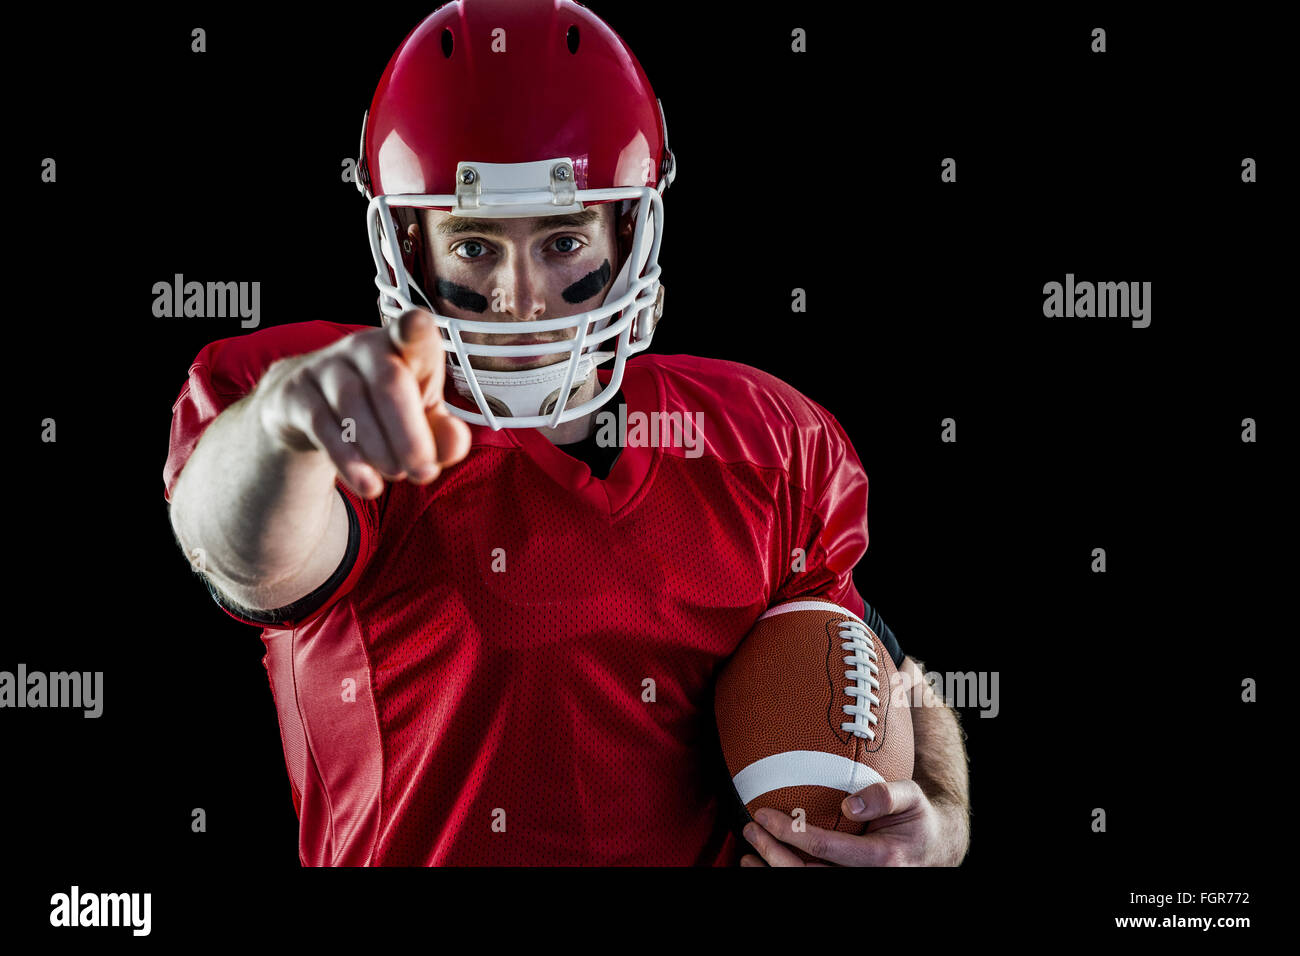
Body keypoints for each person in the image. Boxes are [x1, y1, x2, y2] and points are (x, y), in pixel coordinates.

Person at [164, 0, 969, 866]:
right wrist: (285, 426)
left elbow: (869, 660)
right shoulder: (353, 418)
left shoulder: (767, 440)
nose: (524, 298)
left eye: (561, 240)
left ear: (628, 231)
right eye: (473, 246)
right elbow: (243, 551)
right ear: (408, 243)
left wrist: (944, 820)